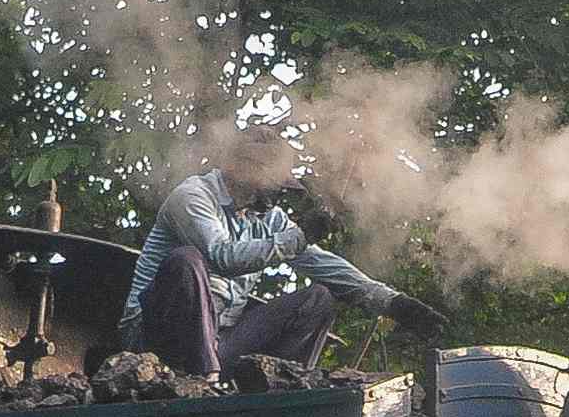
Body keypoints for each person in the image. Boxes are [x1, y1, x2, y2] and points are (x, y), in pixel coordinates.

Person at [122, 119, 443, 379]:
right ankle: (206, 378)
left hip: (221, 340)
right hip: (155, 340)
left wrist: (395, 303)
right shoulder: (193, 196)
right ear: (244, 172)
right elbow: (223, 256)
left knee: (318, 297)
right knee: (186, 261)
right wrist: (301, 236)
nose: (279, 192)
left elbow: (324, 265)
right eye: (273, 181)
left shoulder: (269, 218)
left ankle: (280, 386)